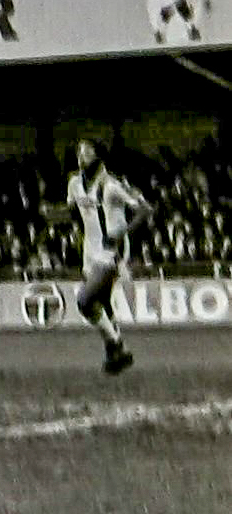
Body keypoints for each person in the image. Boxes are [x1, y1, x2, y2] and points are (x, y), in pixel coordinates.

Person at [65, 139, 152, 375]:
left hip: (111, 250)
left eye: (87, 153)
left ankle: (115, 344)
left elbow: (144, 210)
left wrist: (121, 234)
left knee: (85, 301)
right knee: (102, 303)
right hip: (90, 250)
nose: (81, 157)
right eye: (79, 153)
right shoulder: (74, 183)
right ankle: (117, 355)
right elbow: (74, 212)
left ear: (98, 157)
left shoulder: (112, 185)